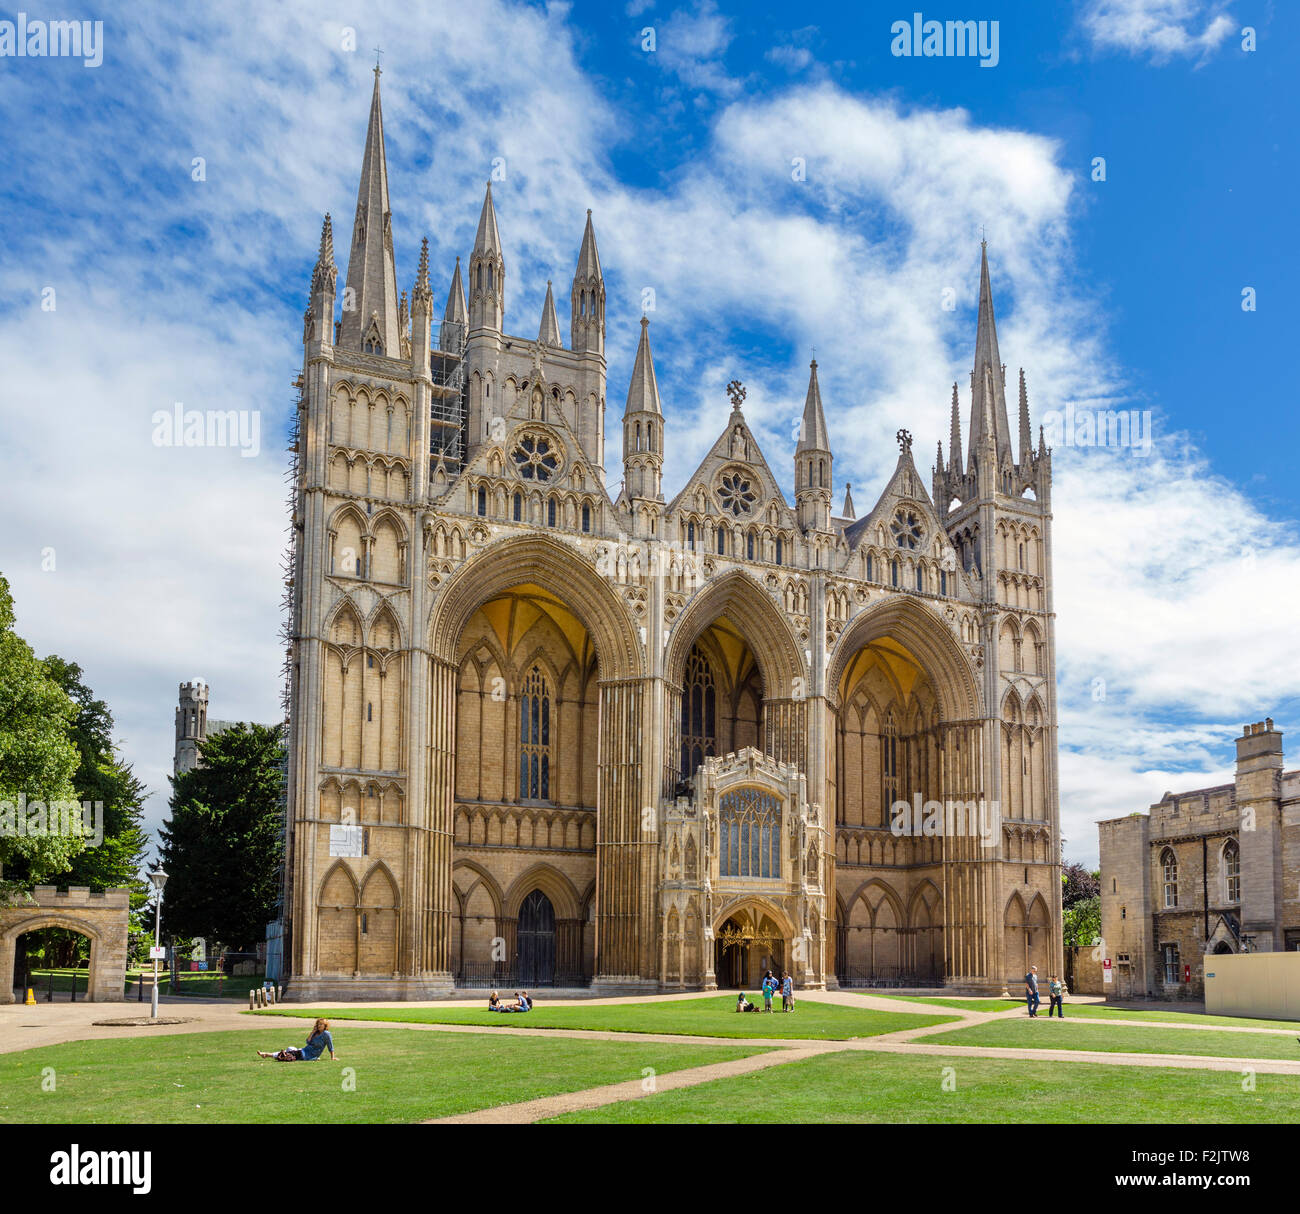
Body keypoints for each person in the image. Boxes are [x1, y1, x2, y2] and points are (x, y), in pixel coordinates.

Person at [258, 1017, 335, 1062]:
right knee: (290, 1048)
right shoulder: (315, 1033)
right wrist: (312, 1032)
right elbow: (307, 1042)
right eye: (318, 1024)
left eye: (321, 1024)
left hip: (307, 1055)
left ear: (325, 1026)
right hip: (304, 1050)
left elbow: (330, 1046)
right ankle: (266, 1054)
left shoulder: (326, 1034)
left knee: (287, 1054)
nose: (319, 1025)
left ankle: (267, 1054)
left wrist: (332, 1057)